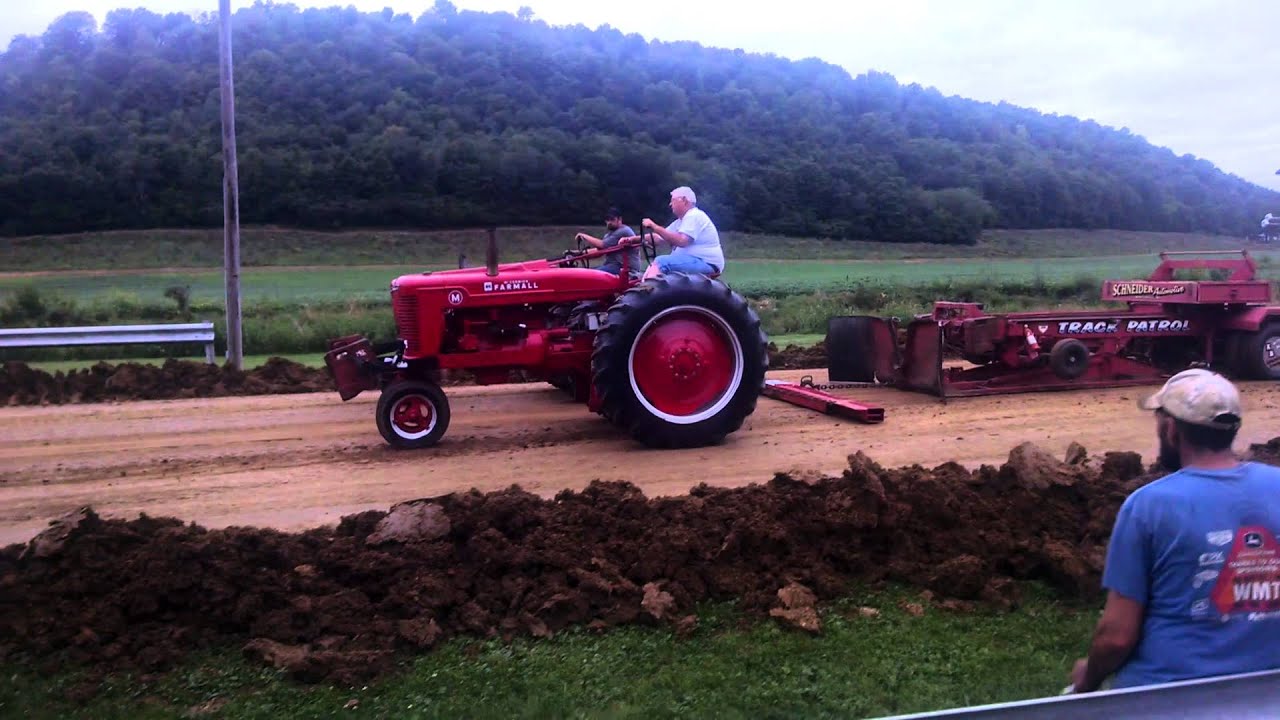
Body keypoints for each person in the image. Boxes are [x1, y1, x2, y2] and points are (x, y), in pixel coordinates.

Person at [1067, 368, 1280, 693]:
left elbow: (1117, 637)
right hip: (1264, 693)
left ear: (1171, 430)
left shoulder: (1149, 506)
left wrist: (1089, 679)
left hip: (1166, 697)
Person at [628, 186, 724, 280]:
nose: (670, 204)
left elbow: (682, 241)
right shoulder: (680, 221)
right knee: (654, 265)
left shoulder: (694, 215)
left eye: (673, 200)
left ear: (684, 200)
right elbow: (658, 238)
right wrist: (631, 239)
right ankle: (644, 287)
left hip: (706, 263)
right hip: (695, 261)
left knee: (661, 262)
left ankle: (647, 293)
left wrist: (654, 226)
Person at [575, 207, 640, 280]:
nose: (609, 222)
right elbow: (599, 251)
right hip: (613, 266)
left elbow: (602, 245)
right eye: (607, 220)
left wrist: (584, 236)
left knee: (590, 276)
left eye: (612, 220)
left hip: (625, 268)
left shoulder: (624, 231)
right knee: (587, 273)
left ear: (620, 220)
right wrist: (577, 254)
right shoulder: (609, 235)